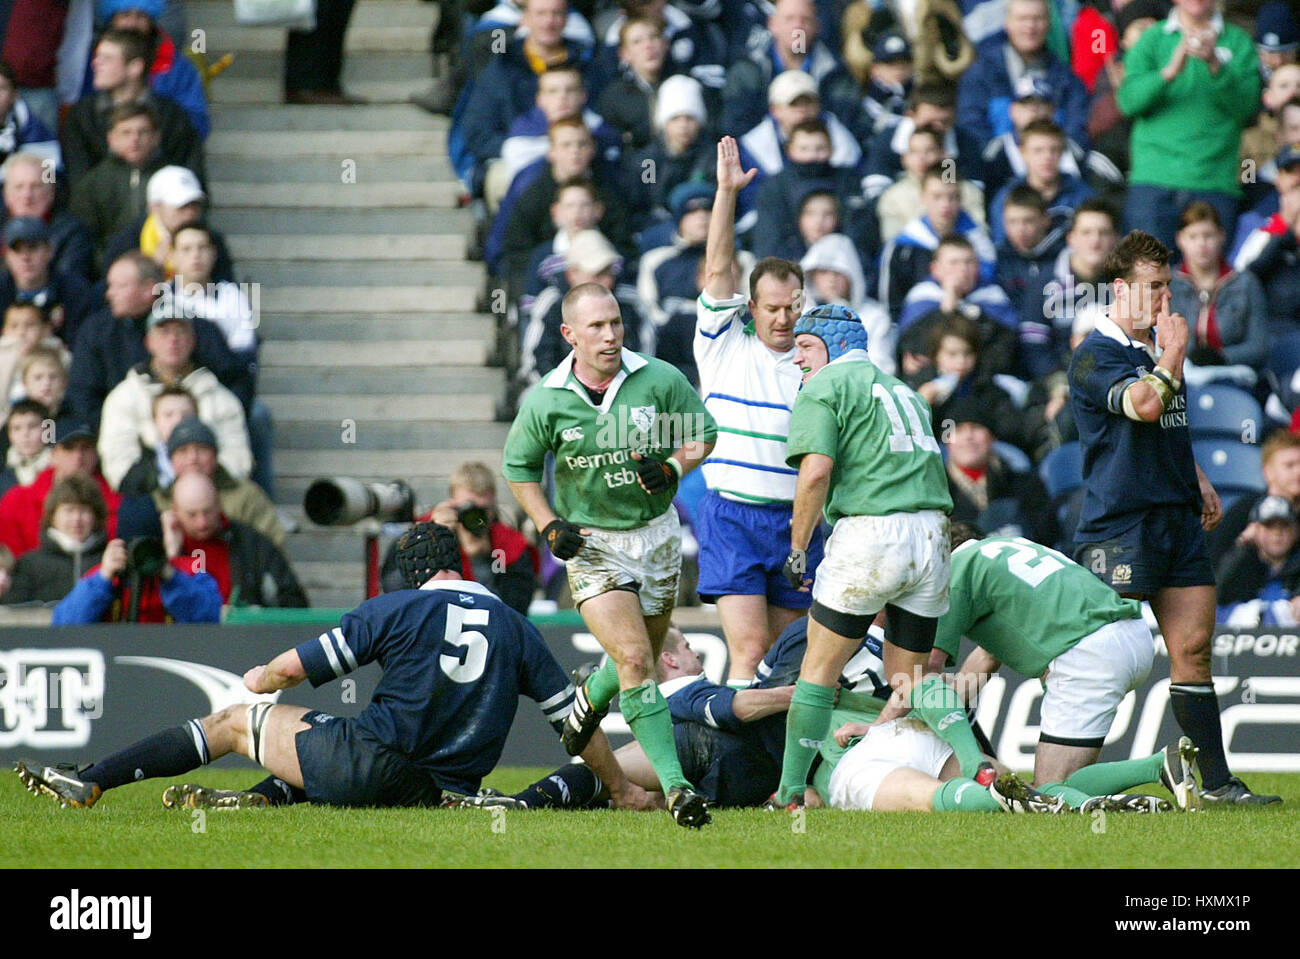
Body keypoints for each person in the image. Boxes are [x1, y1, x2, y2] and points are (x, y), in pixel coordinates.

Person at [18, 522, 648, 813]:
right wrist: (619, 789)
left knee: (242, 722)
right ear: (461, 565)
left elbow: (291, 671)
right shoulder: (518, 627)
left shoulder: (396, 608)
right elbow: (576, 723)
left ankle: (93, 780)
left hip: (372, 764)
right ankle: (258, 806)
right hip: (442, 793)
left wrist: (260, 677)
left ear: (410, 575)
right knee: (322, 735)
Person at [1066, 229, 1281, 805]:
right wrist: (1175, 353)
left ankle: (1216, 785)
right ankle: (1059, 779)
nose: (1166, 299)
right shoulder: (1095, 353)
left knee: (1193, 649)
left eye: (1168, 286)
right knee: (1090, 653)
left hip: (1176, 520)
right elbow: (1144, 405)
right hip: (1121, 525)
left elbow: (1169, 426)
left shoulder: (1150, 353)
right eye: (1154, 288)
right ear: (1120, 289)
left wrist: (1200, 479)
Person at [502, 280, 718, 828]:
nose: (611, 335)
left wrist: (673, 466)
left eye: (616, 322)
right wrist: (548, 523)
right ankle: (678, 791)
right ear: (569, 334)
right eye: (596, 326)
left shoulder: (659, 378)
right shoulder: (547, 399)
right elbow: (519, 469)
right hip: (593, 544)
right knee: (635, 661)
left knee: (638, 654)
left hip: (658, 538)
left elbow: (703, 433)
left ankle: (587, 703)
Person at [771, 302, 990, 808]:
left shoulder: (823, 387)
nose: (796, 357)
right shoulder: (903, 391)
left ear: (833, 344)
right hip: (932, 533)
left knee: (817, 672)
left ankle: (788, 793)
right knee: (909, 682)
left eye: (805, 346)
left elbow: (816, 472)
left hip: (871, 532)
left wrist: (799, 546)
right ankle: (957, 771)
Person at [691, 137, 823, 687]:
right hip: (733, 516)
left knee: (789, 660)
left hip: (796, 523)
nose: (783, 319)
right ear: (750, 308)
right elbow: (719, 265)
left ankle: (786, 775)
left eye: (793, 307)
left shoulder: (817, 362)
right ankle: (736, 770)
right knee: (747, 651)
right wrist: (725, 194)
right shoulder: (722, 342)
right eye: (771, 308)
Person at [1117, 0, 1260, 248]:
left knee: (1210, 284)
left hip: (1213, 181)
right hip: (1153, 181)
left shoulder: (1238, 42)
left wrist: (1216, 65)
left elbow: (1246, 110)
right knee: (1147, 279)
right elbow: (1128, 103)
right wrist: (1168, 72)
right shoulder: (1151, 38)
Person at [97, 309, 252, 490]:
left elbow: (237, 460)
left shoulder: (221, 398)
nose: (173, 340)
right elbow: (118, 463)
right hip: (147, 496)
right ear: (149, 342)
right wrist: (166, 486)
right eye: (164, 332)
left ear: (193, 341)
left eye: (180, 331)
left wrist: (198, 488)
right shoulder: (123, 397)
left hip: (214, 497)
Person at [380, 461, 539, 617]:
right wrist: (431, 543)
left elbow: (513, 612)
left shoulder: (507, 546)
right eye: (468, 509)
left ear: (494, 505)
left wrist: (482, 560)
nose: (477, 519)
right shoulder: (422, 532)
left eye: (483, 511)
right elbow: (393, 590)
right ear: (451, 504)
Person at [50, 491, 222, 624]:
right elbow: (64, 625)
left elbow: (211, 617)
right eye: (131, 547)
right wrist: (103, 578)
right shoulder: (104, 575)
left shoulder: (188, 570)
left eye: (148, 546)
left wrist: (170, 576)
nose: (141, 554)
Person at [59, 28, 203, 184]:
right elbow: (78, 181)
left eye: (106, 59)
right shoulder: (82, 115)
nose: (95, 63)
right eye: (97, 57)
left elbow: (190, 179)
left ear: (135, 67)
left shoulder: (171, 116)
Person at [167, 470, 307, 608]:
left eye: (207, 511)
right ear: (176, 511)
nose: (202, 522)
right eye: (192, 515)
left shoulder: (250, 541)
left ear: (219, 504)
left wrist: (260, 616)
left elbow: (293, 600)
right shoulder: (162, 546)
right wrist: (171, 556)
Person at [0, 421, 120, 559]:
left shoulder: (119, 504)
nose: (78, 456)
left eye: (85, 448)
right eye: (69, 448)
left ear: (96, 454)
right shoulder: (16, 502)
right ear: (53, 453)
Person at [1, 474, 108, 604]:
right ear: (52, 516)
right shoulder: (28, 566)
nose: (76, 519)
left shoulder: (109, 563)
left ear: (96, 517)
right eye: (69, 510)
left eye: (84, 511)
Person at [0, 214, 95, 348]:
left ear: (49, 250)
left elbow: (82, 347)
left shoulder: (74, 292)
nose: (25, 257)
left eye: (32, 248)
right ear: (6, 255)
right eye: (17, 250)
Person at [1215, 495, 1300, 625]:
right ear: (1255, 530)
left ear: (1295, 531)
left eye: (1284, 525)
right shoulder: (1243, 565)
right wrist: (1242, 544)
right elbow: (1219, 595)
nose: (1277, 533)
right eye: (1269, 526)